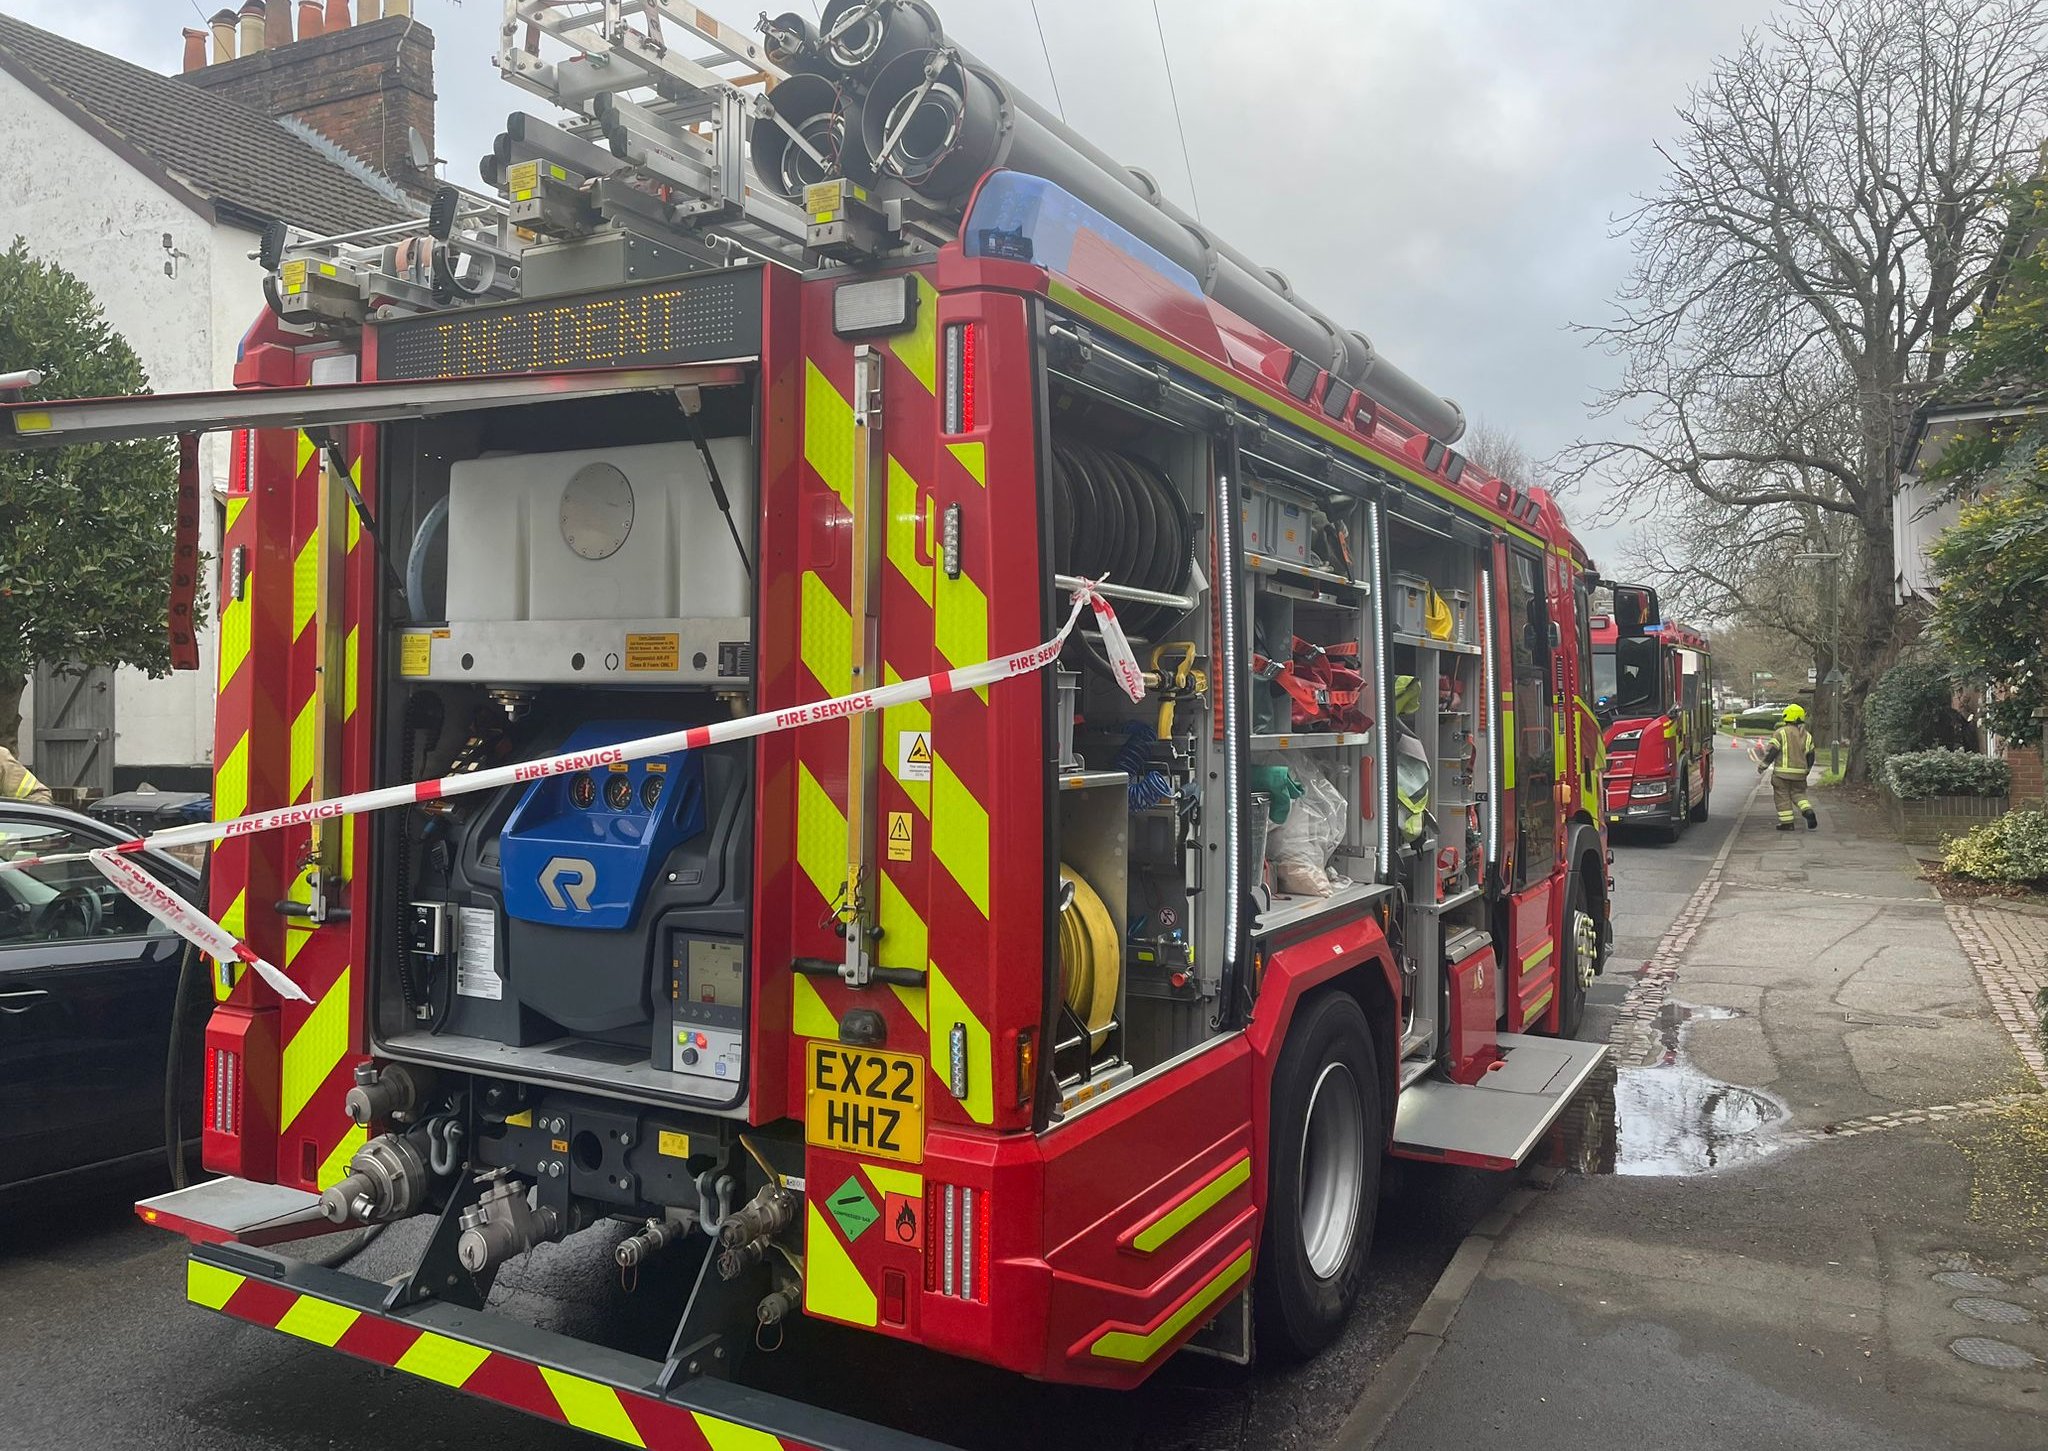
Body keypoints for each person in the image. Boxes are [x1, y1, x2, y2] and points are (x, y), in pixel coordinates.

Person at [1757, 705, 1818, 831]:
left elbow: (1772, 751)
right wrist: (1807, 770)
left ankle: (1787, 823)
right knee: (1799, 794)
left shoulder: (1781, 732)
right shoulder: (1807, 735)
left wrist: (1763, 765)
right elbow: (1811, 756)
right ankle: (1807, 810)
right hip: (1800, 774)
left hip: (1781, 775)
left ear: (1786, 716)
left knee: (1782, 796)